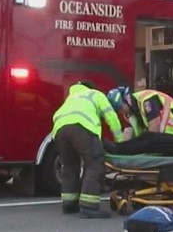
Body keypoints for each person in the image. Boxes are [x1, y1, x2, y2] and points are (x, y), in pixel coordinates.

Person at [51, 80, 124, 218]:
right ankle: (89, 206)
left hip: (59, 129)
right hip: (82, 127)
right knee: (94, 164)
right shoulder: (96, 94)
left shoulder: (72, 97)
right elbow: (111, 117)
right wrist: (120, 141)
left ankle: (69, 203)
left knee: (69, 166)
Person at [104, 86, 173, 156]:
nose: (121, 112)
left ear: (127, 99)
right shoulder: (131, 112)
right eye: (118, 110)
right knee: (144, 138)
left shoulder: (147, 100)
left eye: (121, 108)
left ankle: (117, 149)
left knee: (148, 138)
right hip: (164, 137)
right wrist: (122, 148)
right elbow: (129, 134)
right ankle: (117, 149)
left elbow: (154, 129)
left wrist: (142, 149)